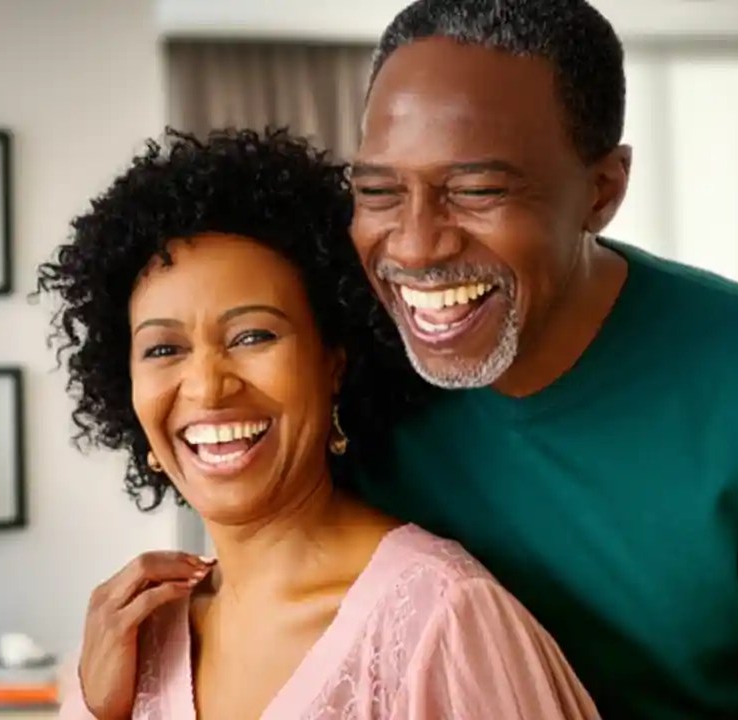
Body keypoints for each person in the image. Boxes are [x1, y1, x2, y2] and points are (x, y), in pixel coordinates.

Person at [346, 0, 738, 717]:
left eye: (478, 191)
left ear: (602, 191)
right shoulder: (342, 371)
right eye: (379, 191)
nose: (415, 246)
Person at [37, 128, 598, 719]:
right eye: (162, 350)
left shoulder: (442, 621)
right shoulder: (136, 642)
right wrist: (100, 710)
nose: (206, 387)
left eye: (253, 336)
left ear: (334, 363)